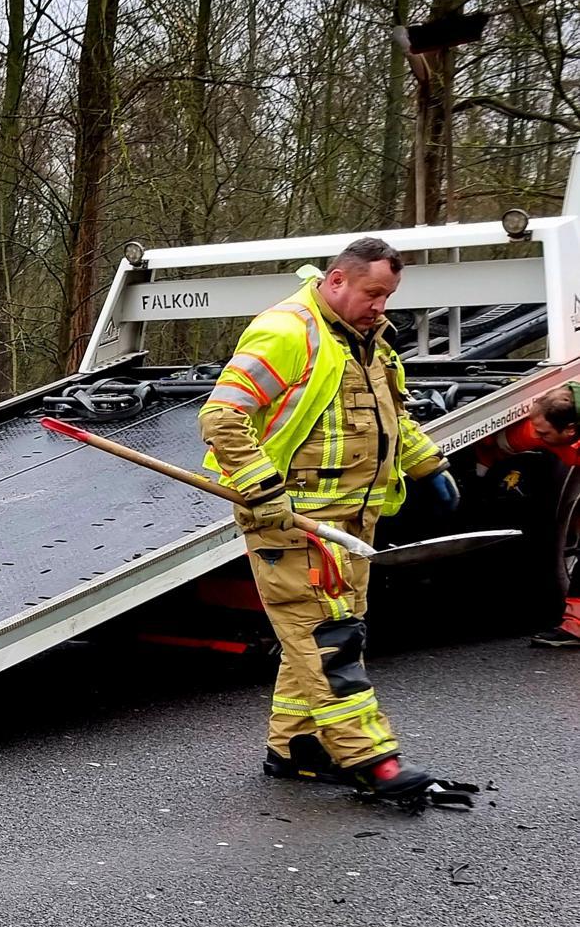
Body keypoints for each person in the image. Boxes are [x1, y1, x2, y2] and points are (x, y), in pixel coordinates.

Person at [198, 236, 470, 803]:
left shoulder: (369, 342)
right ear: (337, 280)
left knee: (321, 635)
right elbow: (224, 416)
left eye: (388, 295)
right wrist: (261, 489)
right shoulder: (287, 332)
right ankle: (373, 758)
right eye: (373, 293)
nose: (381, 306)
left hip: (352, 521)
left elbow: (389, 416)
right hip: (295, 524)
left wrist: (427, 467)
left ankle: (296, 747)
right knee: (330, 641)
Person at [468, 386, 580, 649]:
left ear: (570, 430)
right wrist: (480, 475)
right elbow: (497, 445)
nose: (536, 435)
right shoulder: (542, 429)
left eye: (543, 432)